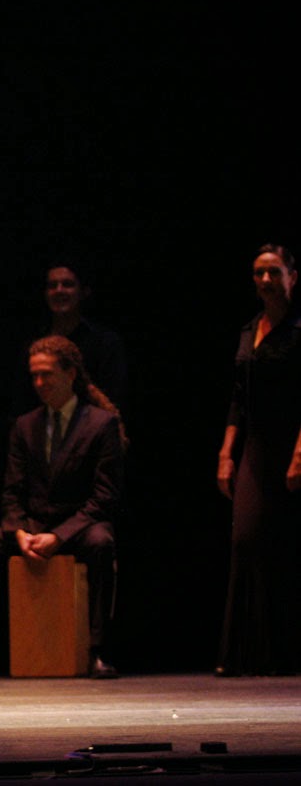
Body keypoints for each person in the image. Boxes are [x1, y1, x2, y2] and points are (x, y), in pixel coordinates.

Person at [0, 335, 124, 680]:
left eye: (47, 374)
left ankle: (96, 652)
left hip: (77, 527)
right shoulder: (25, 425)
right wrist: (19, 532)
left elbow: (104, 497)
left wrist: (59, 537)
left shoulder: (101, 424)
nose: (39, 383)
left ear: (70, 373)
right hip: (32, 527)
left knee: (102, 543)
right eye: (34, 376)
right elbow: (12, 491)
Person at [215, 242, 301, 677]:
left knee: (288, 544)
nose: (265, 280)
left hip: (293, 443)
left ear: (292, 277)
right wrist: (226, 452)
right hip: (256, 446)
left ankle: (287, 653)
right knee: (245, 540)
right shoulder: (250, 330)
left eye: (273, 272)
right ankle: (248, 652)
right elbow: (238, 398)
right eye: (258, 273)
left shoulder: (300, 329)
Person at [9, 261, 129, 423]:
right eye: (52, 285)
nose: (59, 291)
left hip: (90, 434)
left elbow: (113, 398)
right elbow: (21, 399)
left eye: (67, 284)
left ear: (84, 292)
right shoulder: (32, 344)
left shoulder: (104, 342)